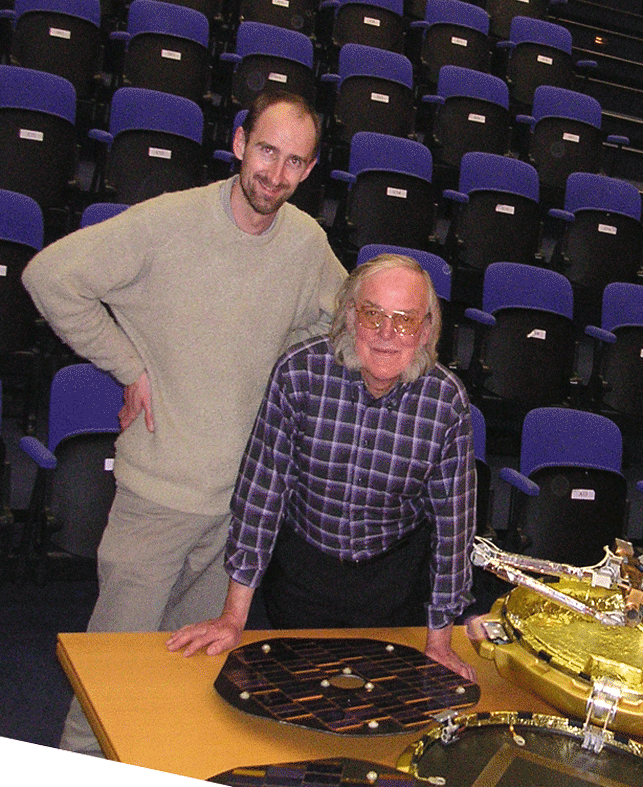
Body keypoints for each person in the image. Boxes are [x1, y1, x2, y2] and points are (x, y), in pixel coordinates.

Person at [22, 89, 347, 754]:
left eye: (293, 161)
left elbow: (335, 325)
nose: (274, 173)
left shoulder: (306, 243)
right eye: (265, 150)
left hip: (236, 510)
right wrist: (128, 365)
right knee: (108, 679)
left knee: (189, 679)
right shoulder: (168, 223)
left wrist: (280, 373)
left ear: (308, 172)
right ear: (237, 143)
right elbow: (50, 275)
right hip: (156, 502)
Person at [167, 254, 478, 680]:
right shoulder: (299, 372)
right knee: (297, 694)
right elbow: (262, 493)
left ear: (425, 331)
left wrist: (439, 641)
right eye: (373, 315)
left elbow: (453, 527)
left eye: (405, 320)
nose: (387, 334)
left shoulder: (447, 401)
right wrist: (232, 619)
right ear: (350, 316)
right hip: (304, 572)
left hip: (392, 581)